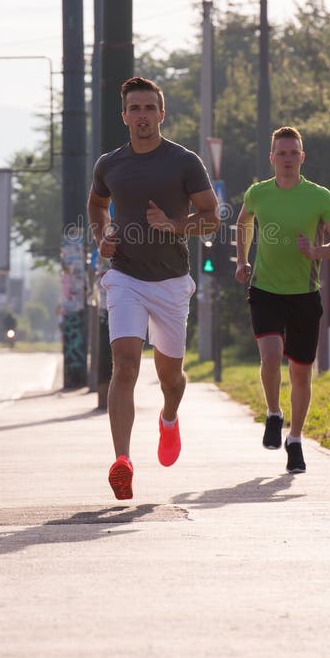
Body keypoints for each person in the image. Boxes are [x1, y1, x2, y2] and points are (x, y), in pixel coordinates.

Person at [88, 76, 219, 500]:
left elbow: (212, 219)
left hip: (170, 282)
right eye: (134, 109)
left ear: (162, 114)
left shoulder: (184, 162)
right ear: (123, 115)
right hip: (125, 275)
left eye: (149, 108)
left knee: (171, 378)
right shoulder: (110, 164)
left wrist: (174, 224)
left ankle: (168, 417)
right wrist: (102, 235)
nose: (142, 116)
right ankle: (122, 461)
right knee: (124, 364)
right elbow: (96, 204)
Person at [235, 126, 330, 474]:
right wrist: (242, 260)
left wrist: (316, 251)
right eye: (281, 153)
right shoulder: (258, 193)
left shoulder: (319, 197)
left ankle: (296, 439)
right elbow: (243, 224)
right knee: (270, 357)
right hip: (266, 289)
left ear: (302, 157)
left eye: (293, 153)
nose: (287, 159)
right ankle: (274, 413)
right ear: (272, 158)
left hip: (304, 293)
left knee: (301, 372)